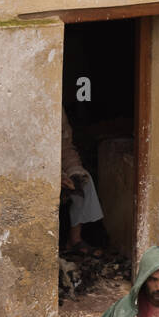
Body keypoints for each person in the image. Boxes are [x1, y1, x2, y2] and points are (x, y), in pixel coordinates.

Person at [61, 107, 105, 250]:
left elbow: (66, 148)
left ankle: (75, 239)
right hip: (37, 170)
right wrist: (58, 176)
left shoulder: (59, 113)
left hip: (60, 167)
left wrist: (75, 171)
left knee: (83, 180)